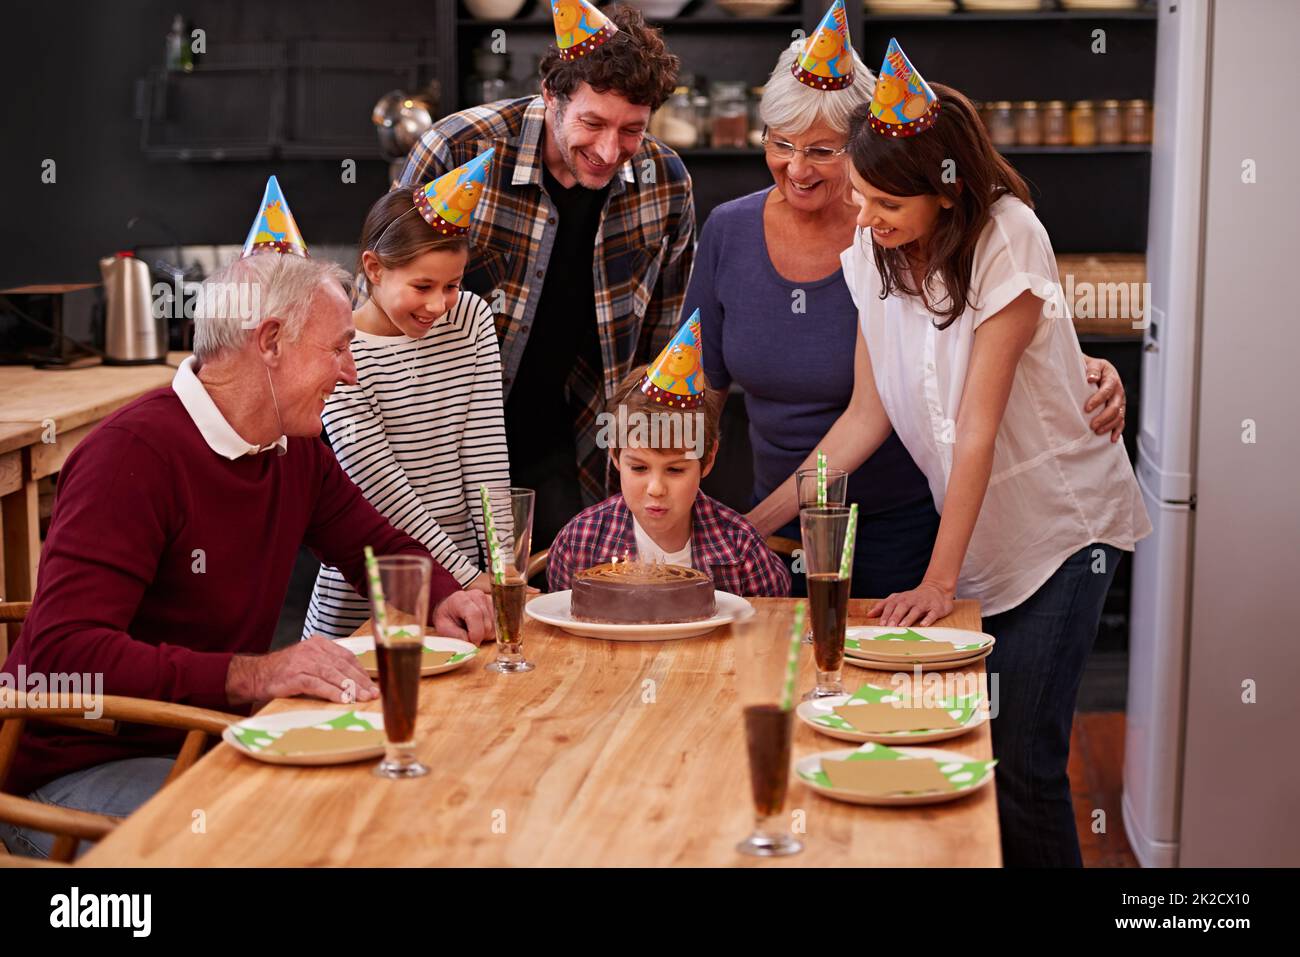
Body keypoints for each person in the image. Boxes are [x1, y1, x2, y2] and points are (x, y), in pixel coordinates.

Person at [0, 177, 493, 859]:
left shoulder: (292, 448)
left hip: (204, 734)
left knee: (368, 808)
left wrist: (453, 593)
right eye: (338, 348)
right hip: (69, 773)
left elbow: (369, 540)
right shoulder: (131, 456)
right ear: (269, 343)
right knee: (276, 837)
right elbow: (65, 654)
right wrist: (254, 674)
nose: (351, 372)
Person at [756, 41, 1152, 866]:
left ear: (944, 191)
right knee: (975, 755)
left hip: (1060, 535)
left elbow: (977, 424)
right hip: (977, 539)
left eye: (881, 201)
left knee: (1027, 767)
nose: (861, 217)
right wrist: (757, 521)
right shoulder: (870, 247)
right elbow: (865, 417)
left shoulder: (1009, 236)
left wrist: (938, 579)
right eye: (859, 197)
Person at [692, 3, 1130, 599]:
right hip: (819, 517)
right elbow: (862, 414)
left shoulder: (957, 232)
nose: (797, 168)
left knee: (960, 689)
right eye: (780, 143)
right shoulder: (865, 241)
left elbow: (983, 390)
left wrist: (1082, 369)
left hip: (955, 519)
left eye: (824, 151)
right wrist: (740, 524)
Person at [397, 2, 694, 548]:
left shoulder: (666, 182)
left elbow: (657, 352)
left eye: (631, 130)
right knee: (444, 611)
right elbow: (386, 309)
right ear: (552, 96)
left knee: (559, 610)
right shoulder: (457, 150)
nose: (609, 151)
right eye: (593, 123)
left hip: (570, 446)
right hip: (441, 438)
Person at [305, 152, 510, 638]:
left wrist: (501, 573)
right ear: (374, 268)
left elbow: (484, 454)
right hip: (371, 585)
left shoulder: (471, 319)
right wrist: (464, 577)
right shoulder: (342, 347)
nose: (439, 305)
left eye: (453, 285)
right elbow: (380, 487)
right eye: (422, 286)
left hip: (467, 581)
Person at [548, 313, 790, 598]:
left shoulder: (743, 551)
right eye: (639, 468)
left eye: (675, 470)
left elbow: (774, 635)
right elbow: (559, 638)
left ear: (707, 459)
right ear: (614, 454)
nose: (656, 488)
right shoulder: (579, 544)